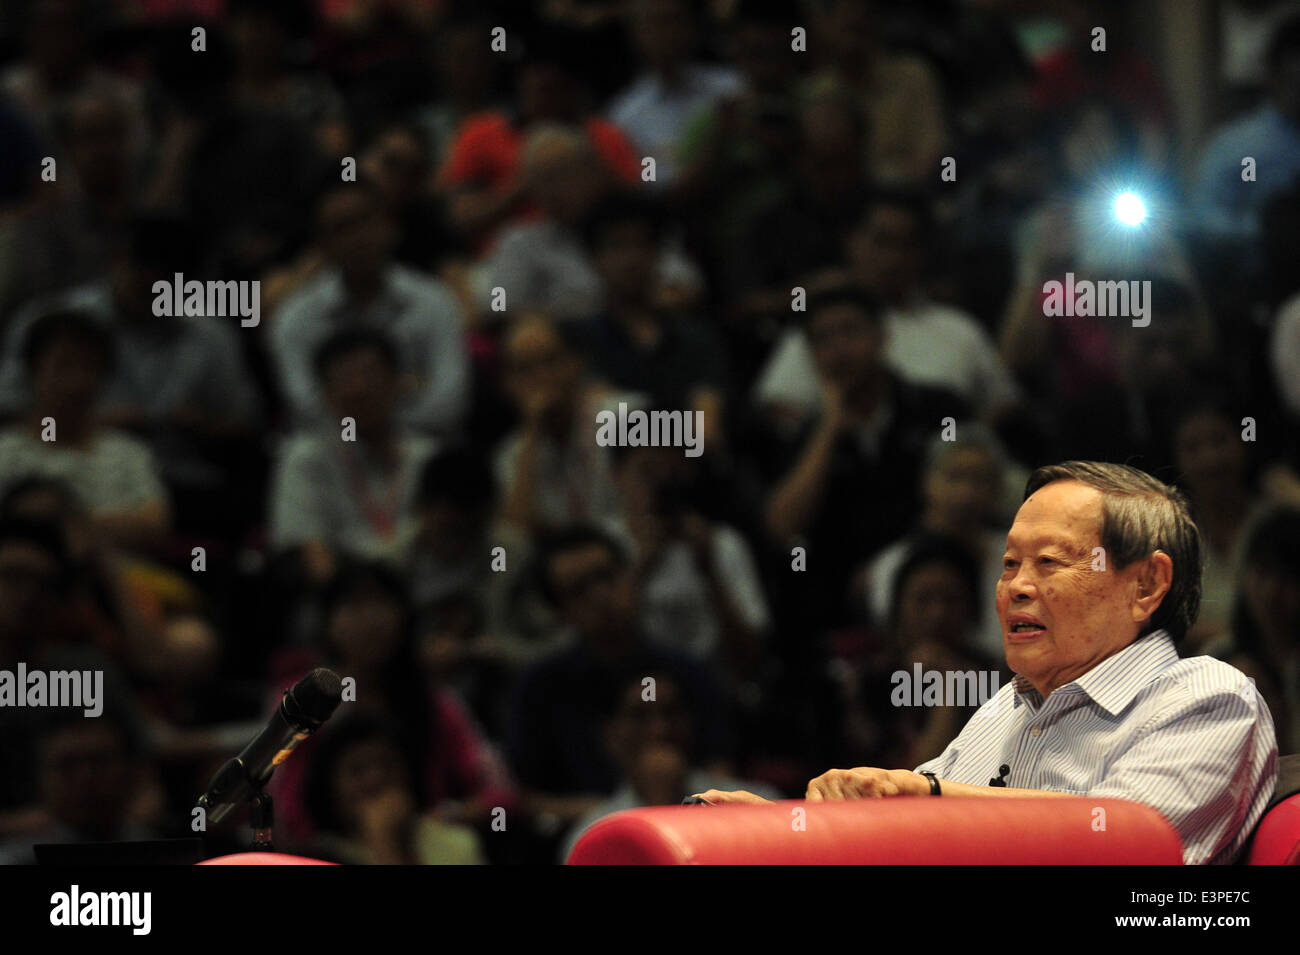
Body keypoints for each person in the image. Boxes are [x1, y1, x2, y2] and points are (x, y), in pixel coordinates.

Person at [698, 461, 1279, 866]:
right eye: (1007, 565)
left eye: (1049, 562)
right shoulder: (1007, 705)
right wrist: (784, 831)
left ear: (1146, 585)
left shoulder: (1207, 694)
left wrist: (927, 797)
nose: (1016, 588)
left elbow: (1128, 847)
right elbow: (898, 824)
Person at [269, 180, 470, 438]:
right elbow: (306, 407)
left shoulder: (434, 302)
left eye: (365, 221)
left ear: (388, 226)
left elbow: (449, 402)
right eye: (342, 228)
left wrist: (383, 430)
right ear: (322, 244)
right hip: (333, 457)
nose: (357, 238)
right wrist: (399, 396)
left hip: (419, 451)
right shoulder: (295, 318)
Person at [269, 327, 439, 585]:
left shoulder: (430, 457)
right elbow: (311, 556)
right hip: (344, 601)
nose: (359, 388)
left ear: (398, 382)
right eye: (345, 378)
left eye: (370, 374)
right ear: (325, 394)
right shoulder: (305, 458)